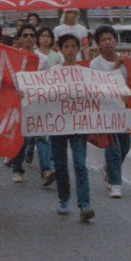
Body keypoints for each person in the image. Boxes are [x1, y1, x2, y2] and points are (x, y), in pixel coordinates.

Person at [49, 33, 95, 222]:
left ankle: (84, 204)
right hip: (58, 124)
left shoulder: (85, 72)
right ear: (60, 49)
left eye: (73, 46)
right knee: (60, 164)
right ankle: (64, 199)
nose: (70, 50)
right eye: (66, 46)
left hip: (77, 124)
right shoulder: (53, 71)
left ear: (78, 49)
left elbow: (96, 93)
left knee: (79, 163)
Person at [89, 24, 131, 199]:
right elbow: (102, 84)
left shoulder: (126, 60)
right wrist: (116, 66)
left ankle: (107, 169)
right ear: (98, 44)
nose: (108, 42)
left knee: (125, 147)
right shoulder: (95, 64)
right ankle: (115, 184)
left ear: (115, 40)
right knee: (113, 147)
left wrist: (129, 95)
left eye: (110, 38)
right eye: (103, 40)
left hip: (123, 109)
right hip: (106, 110)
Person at [9, 23, 54, 187]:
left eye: (32, 35)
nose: (29, 38)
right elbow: (9, 79)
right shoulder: (13, 56)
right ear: (20, 39)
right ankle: (17, 170)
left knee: (41, 136)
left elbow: (44, 80)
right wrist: (16, 92)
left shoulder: (42, 59)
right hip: (18, 102)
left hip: (36, 101)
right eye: (25, 35)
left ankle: (46, 171)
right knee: (21, 136)